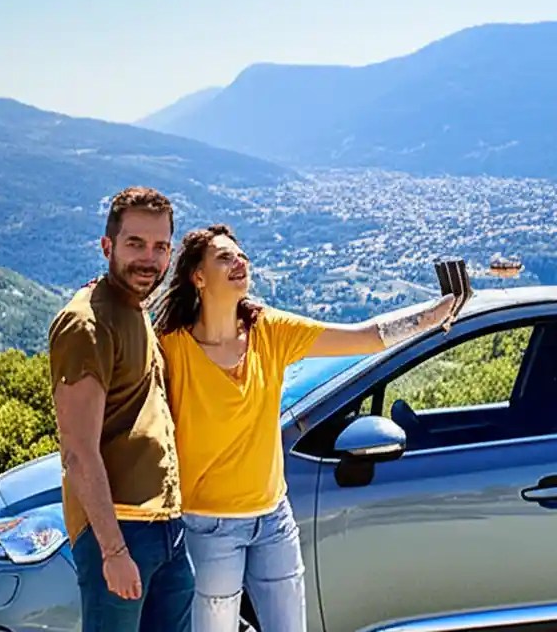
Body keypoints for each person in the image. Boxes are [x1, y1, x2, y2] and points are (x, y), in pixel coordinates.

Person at [151, 223, 456, 632]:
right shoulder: (171, 345)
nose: (239, 261)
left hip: (273, 518)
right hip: (209, 525)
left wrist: (433, 316)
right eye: (224, 257)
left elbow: (365, 338)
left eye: (240, 255)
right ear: (198, 277)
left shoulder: (269, 331)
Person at [48, 186, 194, 632]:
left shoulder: (135, 310)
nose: (149, 258)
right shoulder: (87, 323)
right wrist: (113, 552)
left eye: (160, 246)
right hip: (121, 531)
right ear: (107, 245)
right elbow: (77, 450)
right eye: (135, 244)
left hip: (166, 526)